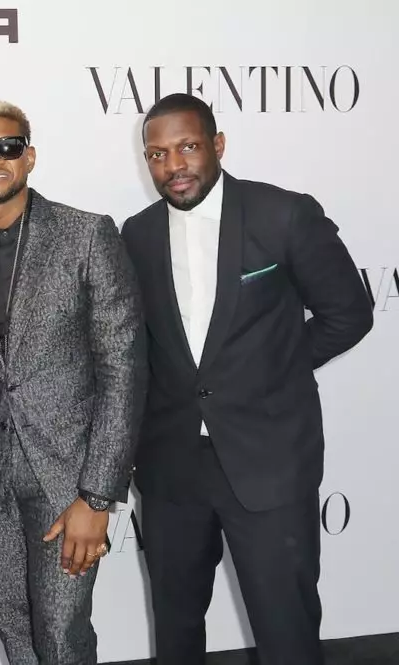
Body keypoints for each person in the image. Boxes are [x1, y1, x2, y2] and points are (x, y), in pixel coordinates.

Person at [120, 93, 374, 665]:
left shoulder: (282, 214)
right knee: (177, 632)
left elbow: (349, 314)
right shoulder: (135, 235)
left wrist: (274, 370)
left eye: (187, 147)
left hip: (268, 460)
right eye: (157, 154)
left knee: (286, 632)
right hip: (172, 468)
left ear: (217, 144)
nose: (174, 165)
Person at [0, 99, 146, 665]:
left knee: (61, 633)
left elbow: (123, 368)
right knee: (16, 633)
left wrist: (97, 495)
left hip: (68, 479)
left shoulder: (87, 235)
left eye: (7, 146)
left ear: (30, 157)